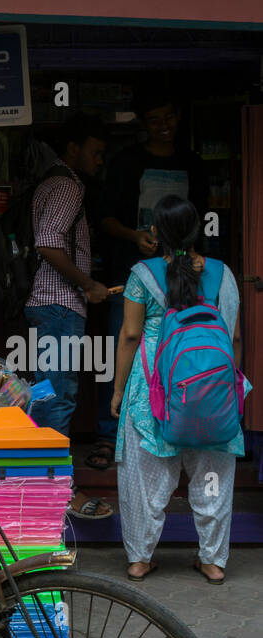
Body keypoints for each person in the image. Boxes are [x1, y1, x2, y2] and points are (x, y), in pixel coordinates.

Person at [111, 195, 242, 584]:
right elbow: (234, 337)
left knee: (144, 477)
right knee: (212, 477)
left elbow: (132, 334)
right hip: (213, 389)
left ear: (155, 233)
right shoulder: (223, 273)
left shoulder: (142, 274)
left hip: (154, 388)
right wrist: (227, 386)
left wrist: (118, 391)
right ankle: (213, 561)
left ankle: (139, 559)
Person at [93, 86, 208, 472]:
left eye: (169, 117)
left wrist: (192, 256)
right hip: (134, 276)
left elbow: (204, 218)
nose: (164, 126)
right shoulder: (127, 162)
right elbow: (105, 218)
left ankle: (181, 429)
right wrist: (134, 236)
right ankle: (111, 435)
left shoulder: (194, 163)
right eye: (155, 119)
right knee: (122, 346)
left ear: (179, 117)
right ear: (143, 124)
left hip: (183, 276)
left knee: (181, 351)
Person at [24, 111, 113, 520]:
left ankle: (42, 484)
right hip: (59, 305)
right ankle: (57, 492)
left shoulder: (51, 184)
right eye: (94, 152)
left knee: (47, 397)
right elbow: (47, 243)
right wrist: (87, 284)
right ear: (73, 150)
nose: (99, 160)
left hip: (51, 305)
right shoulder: (66, 186)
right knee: (57, 401)